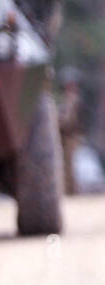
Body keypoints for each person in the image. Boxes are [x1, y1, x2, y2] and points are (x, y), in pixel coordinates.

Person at [58, 67, 84, 196]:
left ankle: (71, 191)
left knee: (69, 165)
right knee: (66, 164)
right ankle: (68, 190)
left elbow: (67, 120)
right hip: (67, 136)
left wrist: (57, 124)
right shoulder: (68, 98)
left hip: (71, 137)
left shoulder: (72, 99)